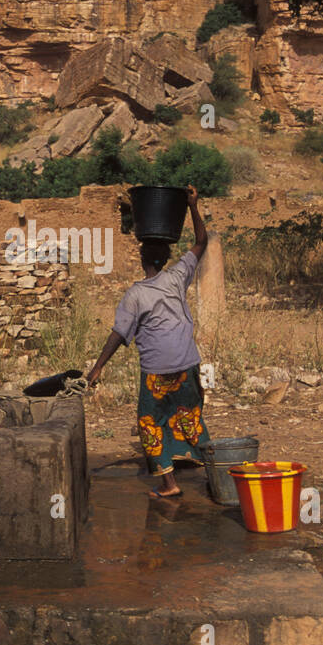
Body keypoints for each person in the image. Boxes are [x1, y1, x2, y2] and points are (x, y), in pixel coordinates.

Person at [86, 185, 211, 498]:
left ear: (142, 259)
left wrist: (97, 368)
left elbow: (118, 335)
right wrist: (193, 206)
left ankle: (170, 484)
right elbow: (201, 241)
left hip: (157, 371)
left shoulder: (134, 295)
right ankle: (217, 473)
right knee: (190, 417)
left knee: (150, 422)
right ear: (167, 257)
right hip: (187, 363)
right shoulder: (177, 277)